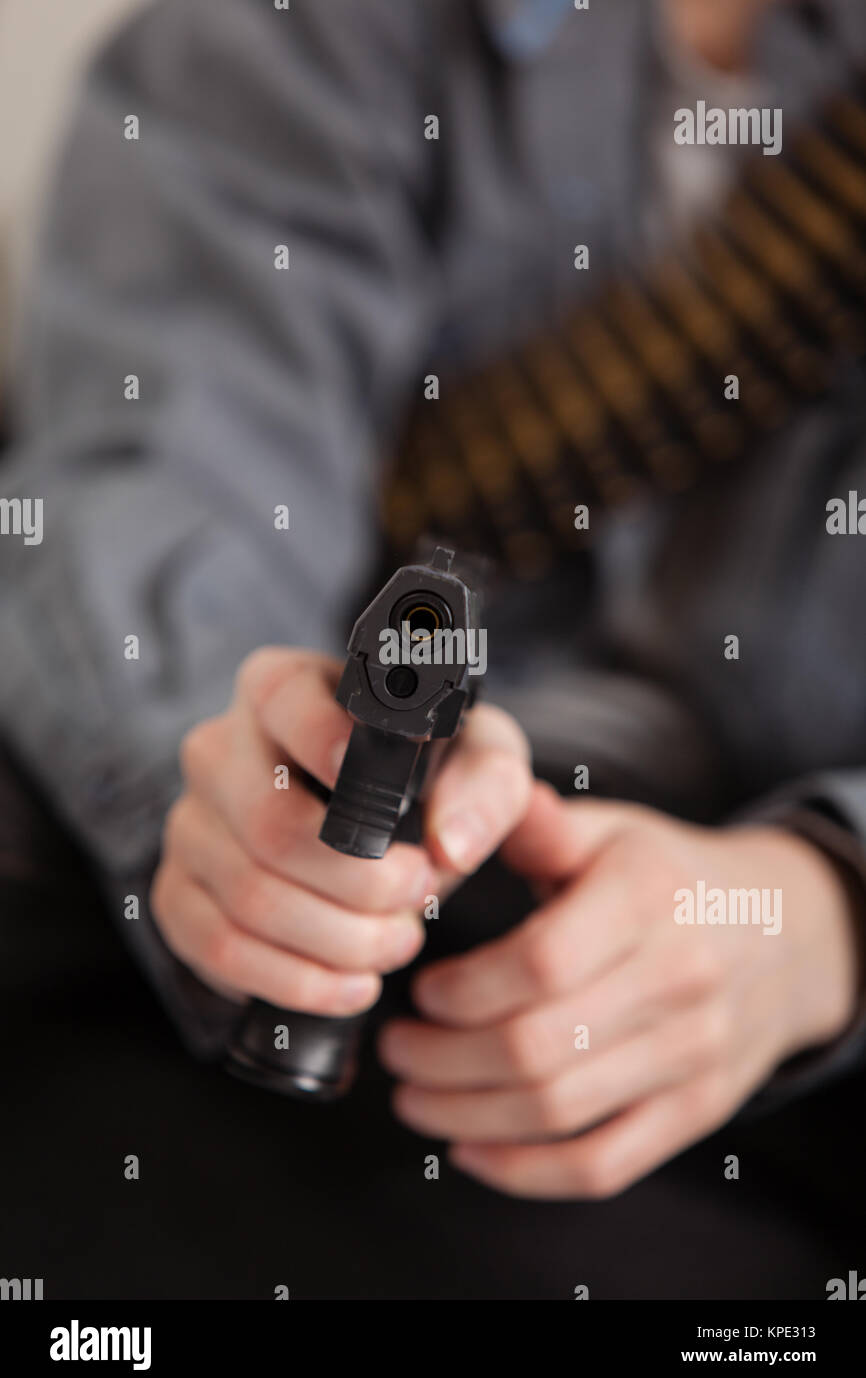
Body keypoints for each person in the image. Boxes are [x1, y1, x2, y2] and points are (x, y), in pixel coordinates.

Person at [2, 0, 866, 1294]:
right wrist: (223, 792)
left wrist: (817, 915)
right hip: (331, 985)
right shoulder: (298, 32)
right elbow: (162, 468)